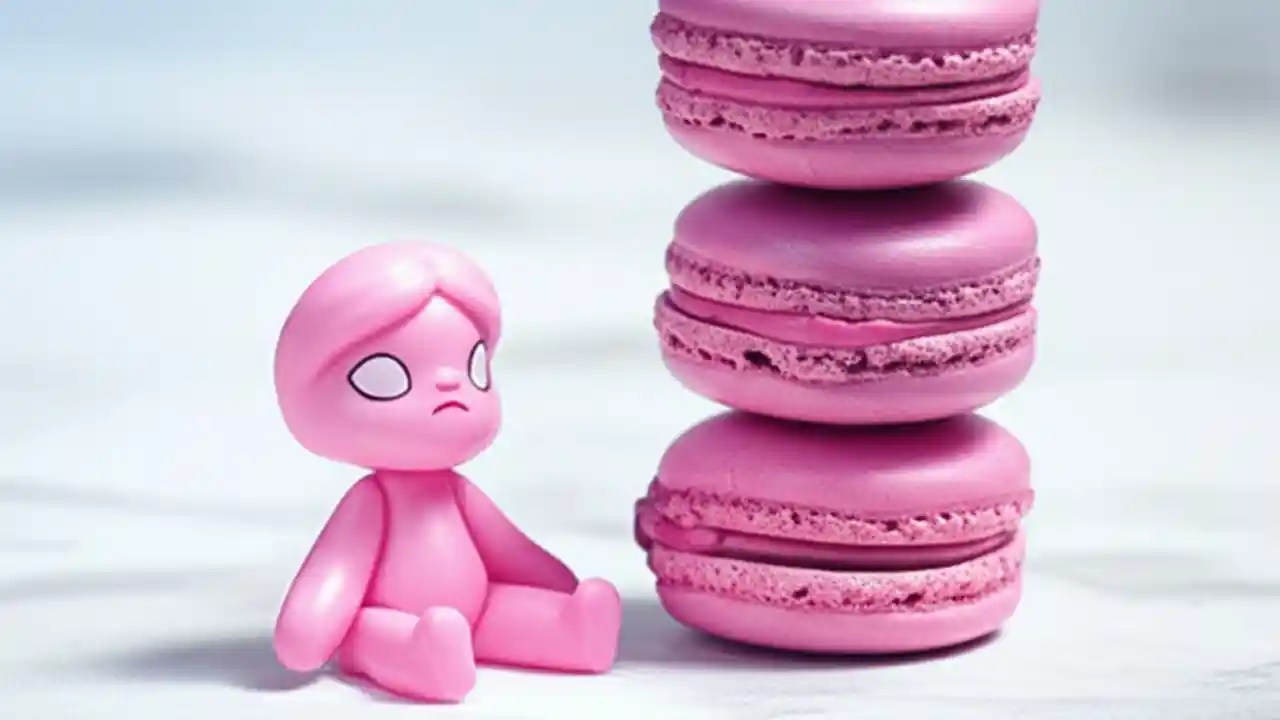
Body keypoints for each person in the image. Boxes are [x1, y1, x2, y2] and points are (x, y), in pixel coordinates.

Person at [271, 242, 621, 702]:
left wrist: (558, 585)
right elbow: (338, 569)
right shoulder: (372, 501)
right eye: (386, 375)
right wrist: (307, 630)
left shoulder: (458, 493)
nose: (449, 384)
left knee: (506, 613)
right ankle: (424, 658)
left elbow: (506, 546)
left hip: (477, 610)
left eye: (473, 367)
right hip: (387, 621)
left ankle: (573, 633)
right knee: (376, 634)